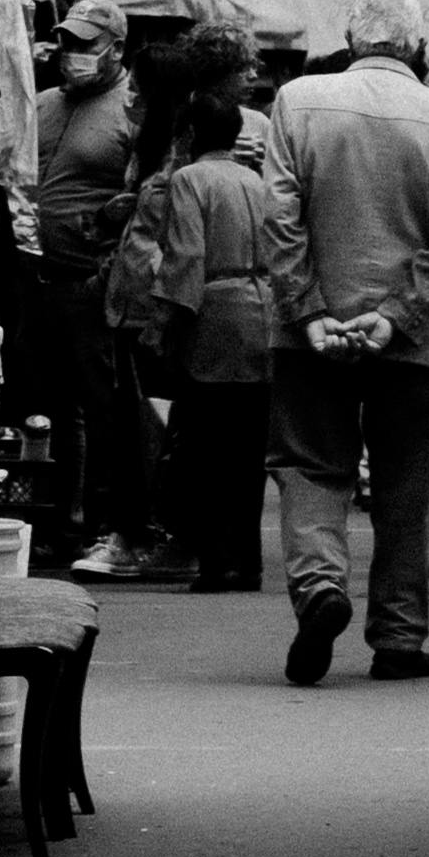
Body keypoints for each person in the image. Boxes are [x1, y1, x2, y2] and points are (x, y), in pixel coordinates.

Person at [260, 0, 429, 685]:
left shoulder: (297, 101)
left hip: (311, 335)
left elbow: (278, 215)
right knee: (405, 488)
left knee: (309, 467)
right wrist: (398, 315)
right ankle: (397, 637)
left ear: (352, 38)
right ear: (417, 47)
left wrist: (309, 311)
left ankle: (320, 586)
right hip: (413, 343)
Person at [33, 0, 150, 578]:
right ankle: (57, 524)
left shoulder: (131, 111)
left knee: (105, 409)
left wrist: (110, 235)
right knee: (46, 407)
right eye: (67, 42)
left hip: (93, 279)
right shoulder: (43, 104)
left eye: (85, 44)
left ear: (116, 49)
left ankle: (110, 525)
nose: (71, 54)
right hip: (39, 277)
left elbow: (147, 197)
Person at [154, 93, 274, 591]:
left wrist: (164, 325)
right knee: (248, 451)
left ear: (189, 135)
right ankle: (248, 561)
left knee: (206, 447)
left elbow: (186, 258)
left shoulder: (189, 179)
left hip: (214, 318)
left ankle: (216, 561)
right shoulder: (256, 181)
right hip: (262, 314)